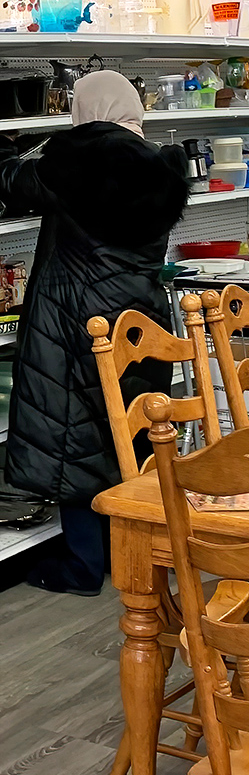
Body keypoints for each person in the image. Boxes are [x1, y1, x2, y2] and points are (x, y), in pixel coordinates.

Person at [0, 71, 189, 596]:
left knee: (72, 433)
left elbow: (13, 182)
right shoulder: (158, 165)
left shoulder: (74, 161)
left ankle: (83, 564)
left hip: (75, 317)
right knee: (128, 433)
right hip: (140, 318)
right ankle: (132, 554)